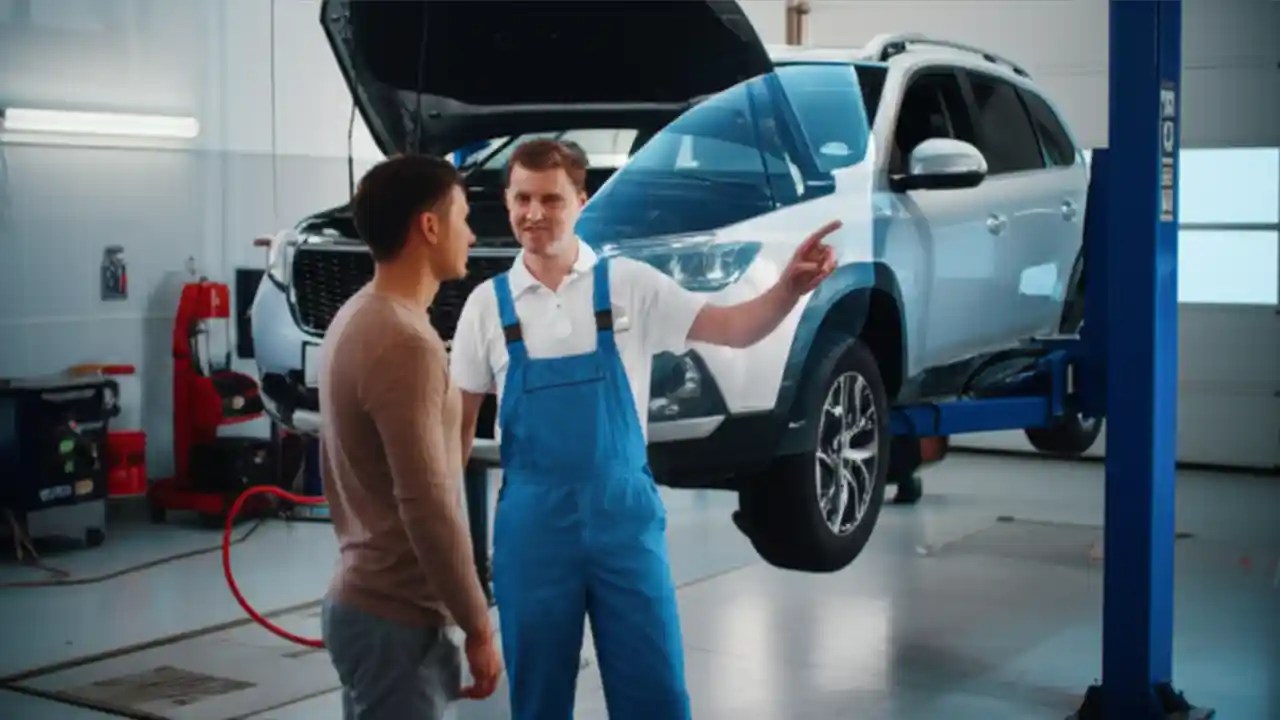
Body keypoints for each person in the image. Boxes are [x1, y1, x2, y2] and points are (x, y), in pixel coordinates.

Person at [450, 139, 839, 719]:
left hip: (624, 525)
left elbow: (732, 329)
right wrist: (446, 551)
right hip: (533, 532)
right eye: (522, 199)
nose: (534, 213)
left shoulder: (628, 284)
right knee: (538, 699)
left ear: (581, 201)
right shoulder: (487, 307)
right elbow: (454, 438)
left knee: (654, 692)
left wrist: (788, 289)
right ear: (507, 201)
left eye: (551, 199)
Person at [316, 154, 502, 719]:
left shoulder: (358, 316)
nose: (471, 235)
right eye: (463, 218)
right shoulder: (405, 342)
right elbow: (428, 506)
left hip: (367, 603)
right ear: (429, 227)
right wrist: (477, 625)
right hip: (396, 619)